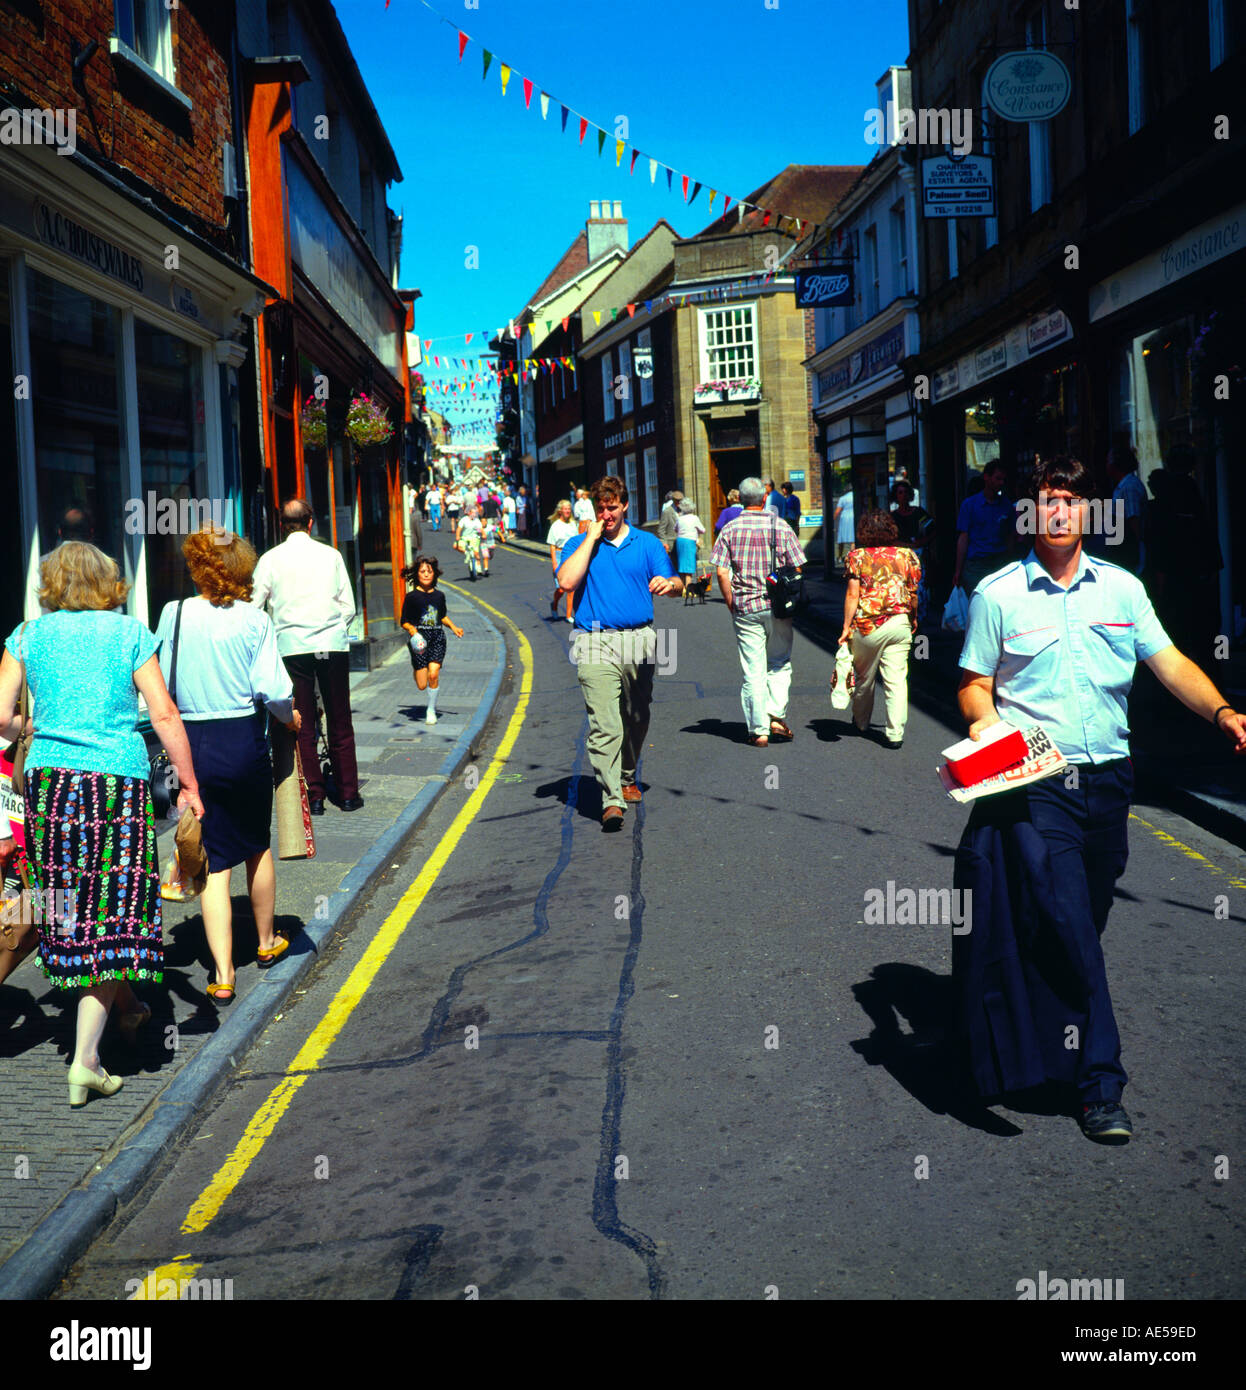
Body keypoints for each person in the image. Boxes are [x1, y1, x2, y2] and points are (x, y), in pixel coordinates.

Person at [954, 455, 1246, 1144]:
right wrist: (987, 727)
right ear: (1031, 511)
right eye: (1049, 499)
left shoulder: (1121, 590)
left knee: (1084, 916)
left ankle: (1043, 1037)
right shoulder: (1000, 594)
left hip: (1112, 781)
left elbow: (1168, 662)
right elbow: (973, 681)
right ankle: (1100, 1085)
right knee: (1069, 921)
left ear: (1090, 513)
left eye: (1073, 501)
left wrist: (1224, 712)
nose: (1061, 511)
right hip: (1039, 783)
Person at [0, 543, 204, 1108]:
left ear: (52, 582)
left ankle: (116, 1020)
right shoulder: (128, 634)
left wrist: (37, 726)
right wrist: (188, 783)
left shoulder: (26, 637)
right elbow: (163, 713)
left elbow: (0, 716)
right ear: (108, 581)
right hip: (114, 783)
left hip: (49, 786)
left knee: (68, 907)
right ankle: (87, 1059)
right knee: (115, 910)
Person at [154, 528, 301, 1004]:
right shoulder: (254, 621)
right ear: (241, 570)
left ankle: (221, 973)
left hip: (190, 741)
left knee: (213, 862)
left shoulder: (172, 615)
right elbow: (274, 692)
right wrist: (291, 718)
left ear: (197, 568)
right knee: (257, 844)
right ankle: (264, 943)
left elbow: (158, 688)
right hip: (242, 740)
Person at [557, 475, 683, 829]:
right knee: (605, 722)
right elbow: (566, 582)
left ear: (625, 506)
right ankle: (611, 798)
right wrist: (591, 539)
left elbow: (676, 584)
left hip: (640, 638)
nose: (607, 514)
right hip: (594, 639)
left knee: (637, 714)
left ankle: (628, 775)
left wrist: (669, 585)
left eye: (612, 508)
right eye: (601, 508)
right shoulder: (579, 544)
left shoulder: (647, 543)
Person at [251, 499, 363, 815]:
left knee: (301, 723)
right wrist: (327, 629)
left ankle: (314, 796)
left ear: (282, 524)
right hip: (331, 645)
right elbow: (349, 608)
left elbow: (254, 607)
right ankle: (349, 794)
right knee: (340, 719)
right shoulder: (332, 556)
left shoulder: (270, 560)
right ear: (310, 522)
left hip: (292, 648)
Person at [712, 476, 806, 747]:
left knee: (753, 669)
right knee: (778, 662)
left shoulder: (730, 529)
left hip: (745, 606)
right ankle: (775, 714)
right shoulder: (780, 526)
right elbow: (798, 566)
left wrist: (731, 600)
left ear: (740, 500)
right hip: (778, 607)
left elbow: (720, 570)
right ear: (764, 498)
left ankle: (758, 730)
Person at [837, 510, 920, 749]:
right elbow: (913, 594)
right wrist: (913, 618)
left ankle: (861, 722)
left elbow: (853, 594)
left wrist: (845, 627)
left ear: (864, 531)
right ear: (891, 529)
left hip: (867, 624)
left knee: (864, 677)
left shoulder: (857, 556)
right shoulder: (908, 556)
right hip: (899, 622)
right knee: (896, 678)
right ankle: (895, 733)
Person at [400, 556, 464, 726]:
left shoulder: (439, 596)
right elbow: (404, 621)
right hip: (419, 640)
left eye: (429, 571)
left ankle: (431, 710)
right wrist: (413, 630)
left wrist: (454, 627)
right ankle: (417, 667)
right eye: (422, 571)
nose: (426, 574)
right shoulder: (412, 597)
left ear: (434, 574)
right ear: (417, 574)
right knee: (422, 684)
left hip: (437, 637)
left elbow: (441, 616)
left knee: (433, 674)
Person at [952, 460, 1015, 596]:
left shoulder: (1006, 505)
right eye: (997, 478)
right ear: (986, 477)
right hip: (976, 566)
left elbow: (1010, 535)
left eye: (1003, 479)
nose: (1001, 483)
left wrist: (1009, 561)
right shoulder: (969, 505)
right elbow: (963, 538)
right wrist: (958, 570)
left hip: (999, 563)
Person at [1105, 437, 1147, 576]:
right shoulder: (1121, 486)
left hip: (1129, 549)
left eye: (1108, 461)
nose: (1106, 465)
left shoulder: (1129, 487)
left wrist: (1139, 550)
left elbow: (1134, 519)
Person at [546, 499, 579, 623]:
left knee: (571, 588)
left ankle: (568, 615)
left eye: (569, 509)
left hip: (571, 555)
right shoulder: (555, 525)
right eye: (565, 509)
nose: (567, 511)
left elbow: (576, 541)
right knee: (561, 588)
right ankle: (554, 605)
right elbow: (552, 546)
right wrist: (554, 562)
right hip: (559, 555)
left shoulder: (572, 524)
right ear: (560, 510)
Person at [674, 498, 705, 590]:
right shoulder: (694, 518)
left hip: (680, 541)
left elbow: (675, 529)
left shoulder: (680, 518)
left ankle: (682, 588)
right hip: (689, 541)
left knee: (682, 565)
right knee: (689, 566)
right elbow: (703, 530)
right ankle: (688, 588)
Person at [455, 505, 485, 580]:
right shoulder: (464, 520)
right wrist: (458, 536)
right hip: (465, 537)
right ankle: (467, 553)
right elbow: (459, 529)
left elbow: (481, 529)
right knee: (455, 546)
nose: (474, 514)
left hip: (474, 538)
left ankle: (478, 568)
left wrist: (483, 534)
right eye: (473, 513)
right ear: (469, 513)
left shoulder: (477, 520)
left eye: (475, 513)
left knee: (476, 553)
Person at [656, 490, 682, 564]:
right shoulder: (667, 511)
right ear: (673, 500)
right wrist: (664, 542)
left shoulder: (683, 511)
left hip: (682, 545)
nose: (679, 503)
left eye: (680, 500)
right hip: (671, 546)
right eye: (677, 501)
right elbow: (661, 530)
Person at [833, 487, 855, 568]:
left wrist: (832, 519)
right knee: (853, 539)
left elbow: (837, 511)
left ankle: (839, 557)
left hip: (845, 518)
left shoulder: (843, 498)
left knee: (841, 538)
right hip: (853, 517)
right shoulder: (855, 496)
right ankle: (852, 556)